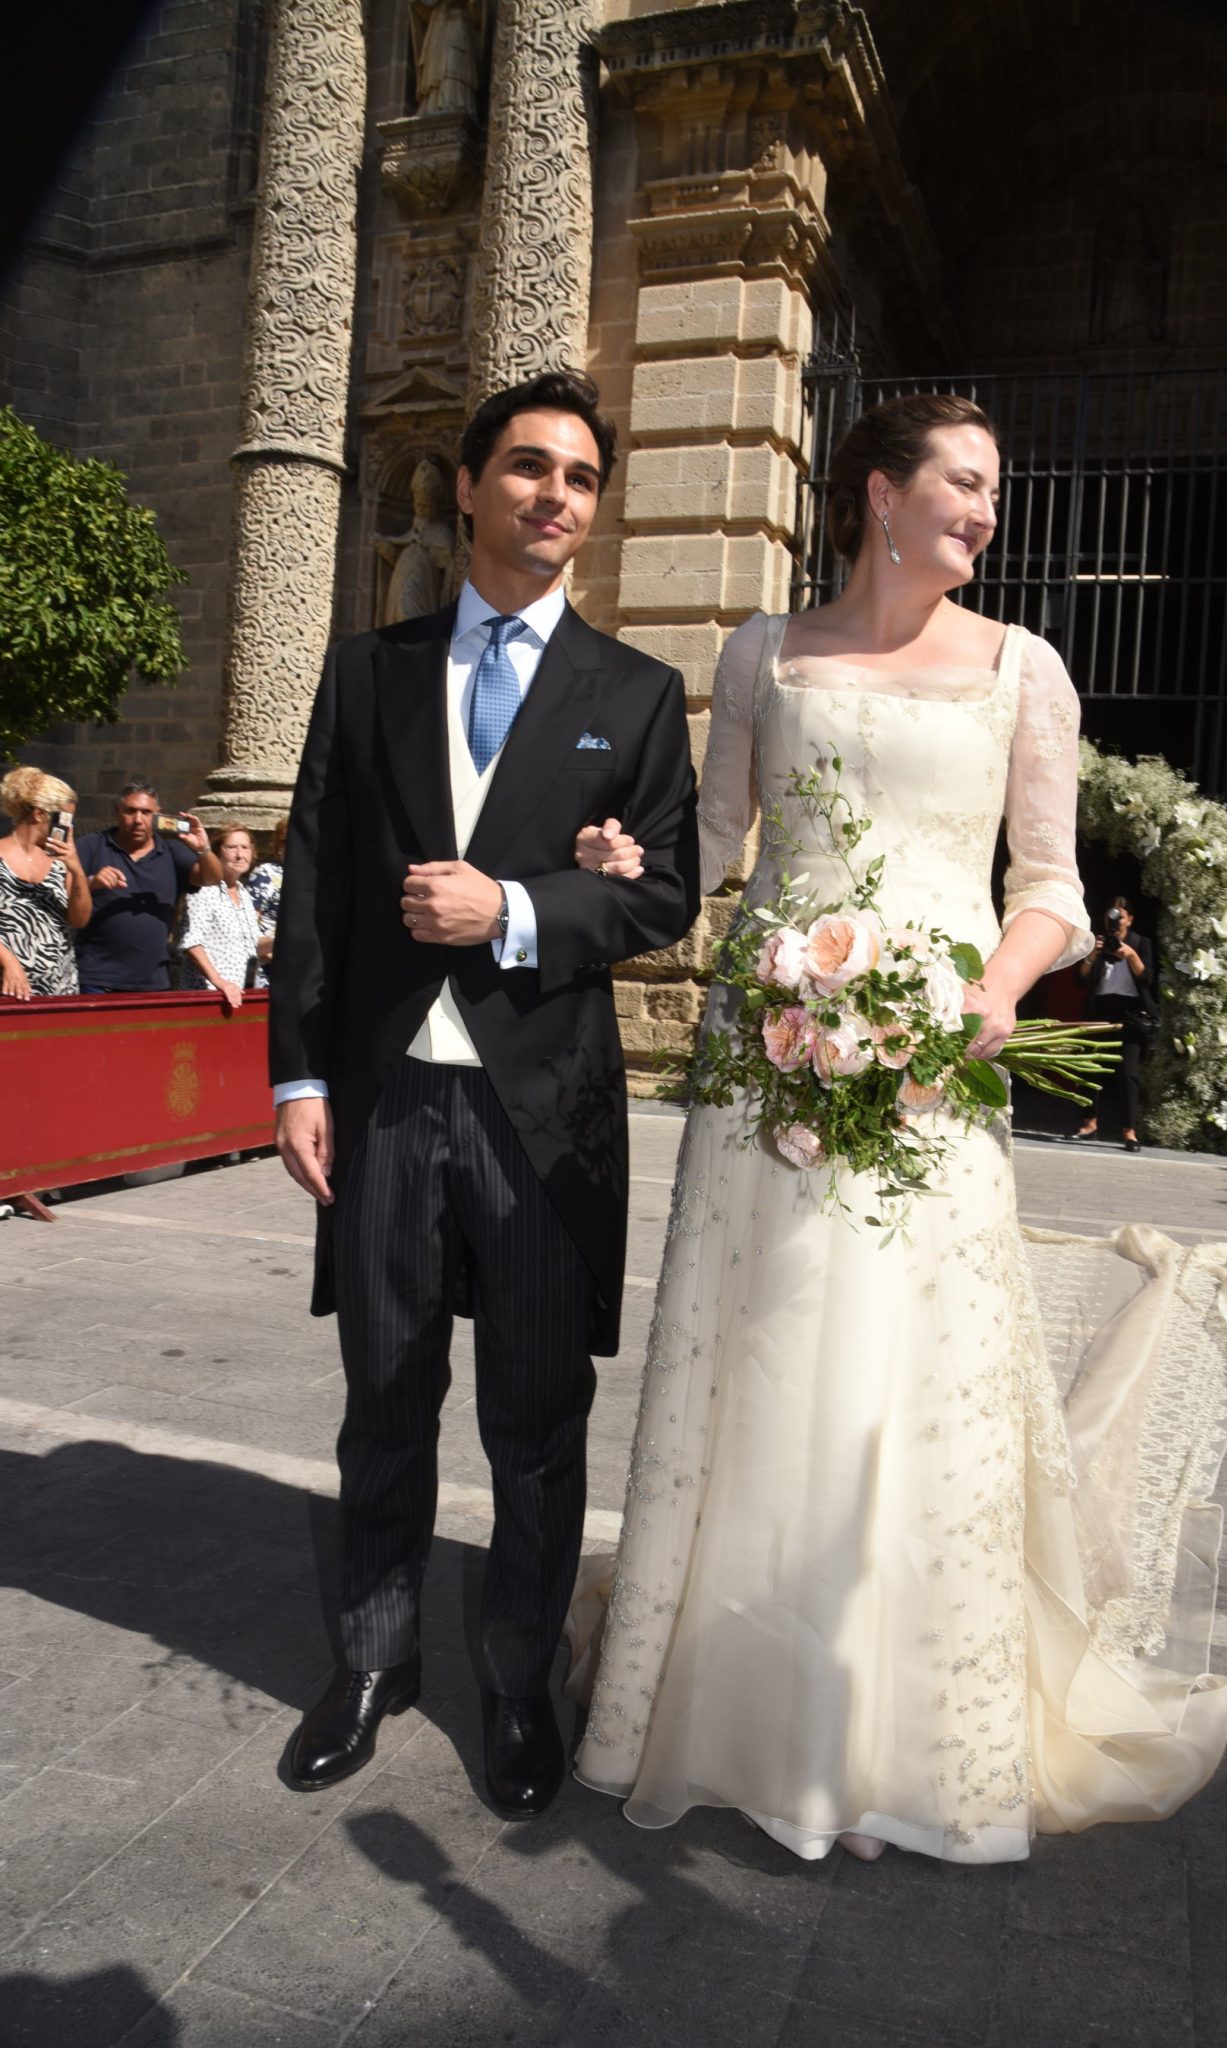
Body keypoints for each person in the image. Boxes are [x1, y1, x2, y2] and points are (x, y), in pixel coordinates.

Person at [568, 393, 1227, 1866]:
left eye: (993, 491)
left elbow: (1048, 882)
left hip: (938, 1064)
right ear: (880, 493)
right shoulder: (760, 651)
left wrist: (991, 994)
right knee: (762, 1344)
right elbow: (715, 844)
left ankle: (887, 1720)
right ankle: (736, 1700)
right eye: (964, 483)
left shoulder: (1023, 667)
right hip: (768, 1056)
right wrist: (625, 858)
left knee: (903, 1362)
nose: (986, 513)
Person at [269, 370, 700, 1816]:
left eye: (578, 477)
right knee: (385, 1394)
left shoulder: (633, 695)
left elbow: (665, 896)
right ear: (464, 487)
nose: (553, 496)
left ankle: (518, 1680)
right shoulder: (365, 670)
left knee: (535, 1412)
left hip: (542, 1115)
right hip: (386, 1099)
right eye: (526, 467)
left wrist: (513, 909)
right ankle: (372, 1659)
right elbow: (317, 885)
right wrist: (300, 1074)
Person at [74, 782, 221, 993]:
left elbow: (211, 878)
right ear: (117, 812)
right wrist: (91, 883)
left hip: (152, 981)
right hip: (97, 978)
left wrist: (203, 849)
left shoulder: (171, 851)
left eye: (146, 812)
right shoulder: (92, 845)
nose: (138, 820)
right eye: (130, 811)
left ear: (157, 814)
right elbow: (64, 892)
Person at [1071, 895, 1156, 1151]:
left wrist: (1130, 955)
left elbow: (1147, 979)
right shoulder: (1097, 943)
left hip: (1129, 1014)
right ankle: (1089, 1124)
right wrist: (1093, 955)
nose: (1115, 922)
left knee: (1128, 1074)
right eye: (1111, 917)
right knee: (1089, 1068)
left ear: (1130, 920)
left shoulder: (1140, 943)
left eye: (1120, 917)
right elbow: (1081, 980)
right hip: (1099, 1010)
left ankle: (1129, 1131)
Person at [0, 767, 92, 998]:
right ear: (40, 814)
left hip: (60, 988)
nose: (69, 827)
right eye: (65, 818)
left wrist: (75, 867)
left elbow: (80, 920)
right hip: (10, 987)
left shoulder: (61, 861)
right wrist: (8, 961)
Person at [179, 823, 264, 1008]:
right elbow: (191, 943)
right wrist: (219, 982)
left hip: (234, 996)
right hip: (205, 997)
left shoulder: (244, 894)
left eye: (245, 847)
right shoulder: (204, 889)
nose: (240, 854)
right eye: (231, 847)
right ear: (217, 853)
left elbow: (252, 944)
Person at [243, 815, 287, 988]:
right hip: (270, 970)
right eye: (285, 841)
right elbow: (246, 929)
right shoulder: (267, 874)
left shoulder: (315, 878)